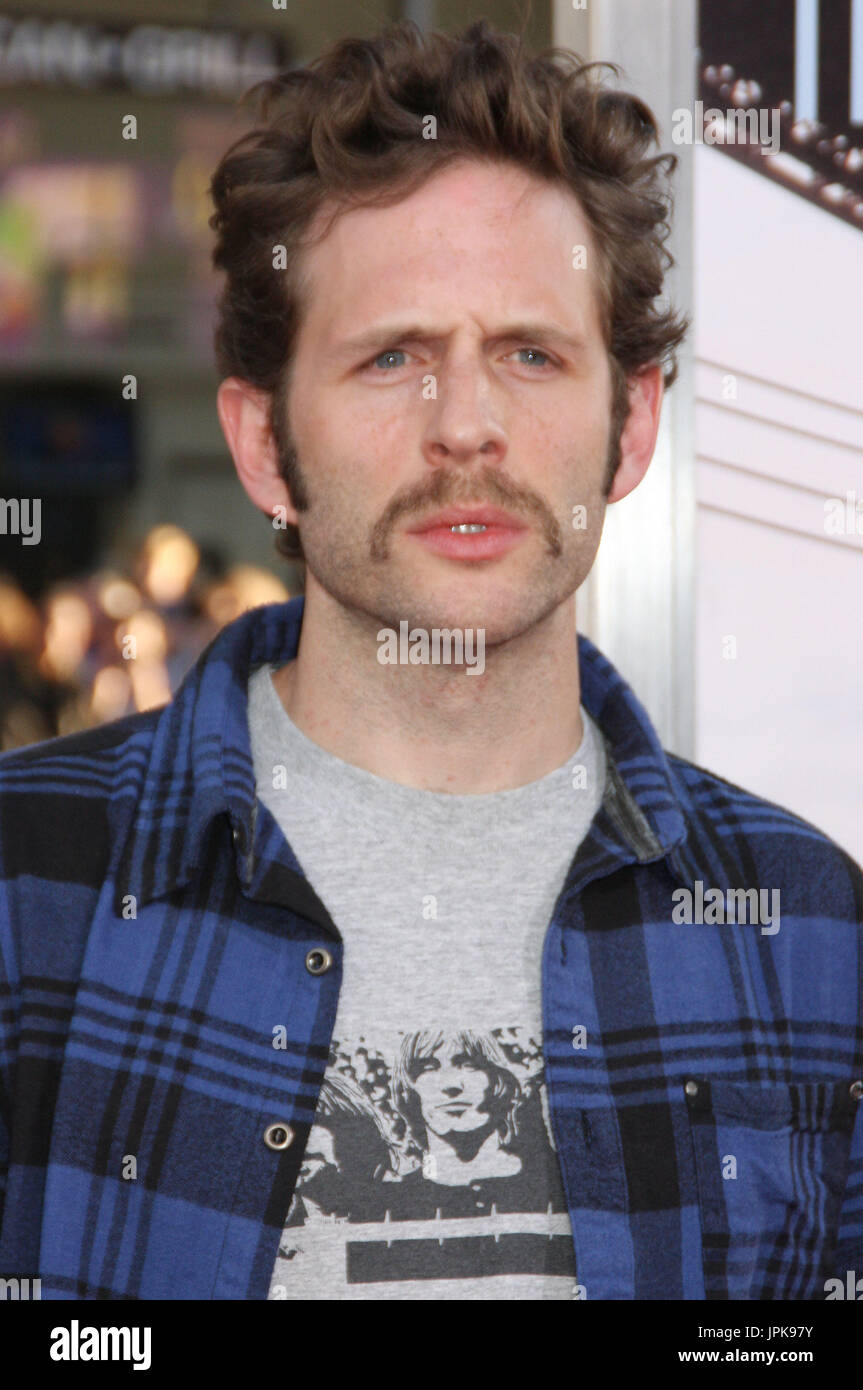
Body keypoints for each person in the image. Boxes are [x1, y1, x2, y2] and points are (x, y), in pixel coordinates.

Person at [1, 19, 861, 1302]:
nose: (465, 427)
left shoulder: (810, 931)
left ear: (629, 425)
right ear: (261, 444)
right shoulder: (29, 894)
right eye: (390, 356)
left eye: (529, 353)